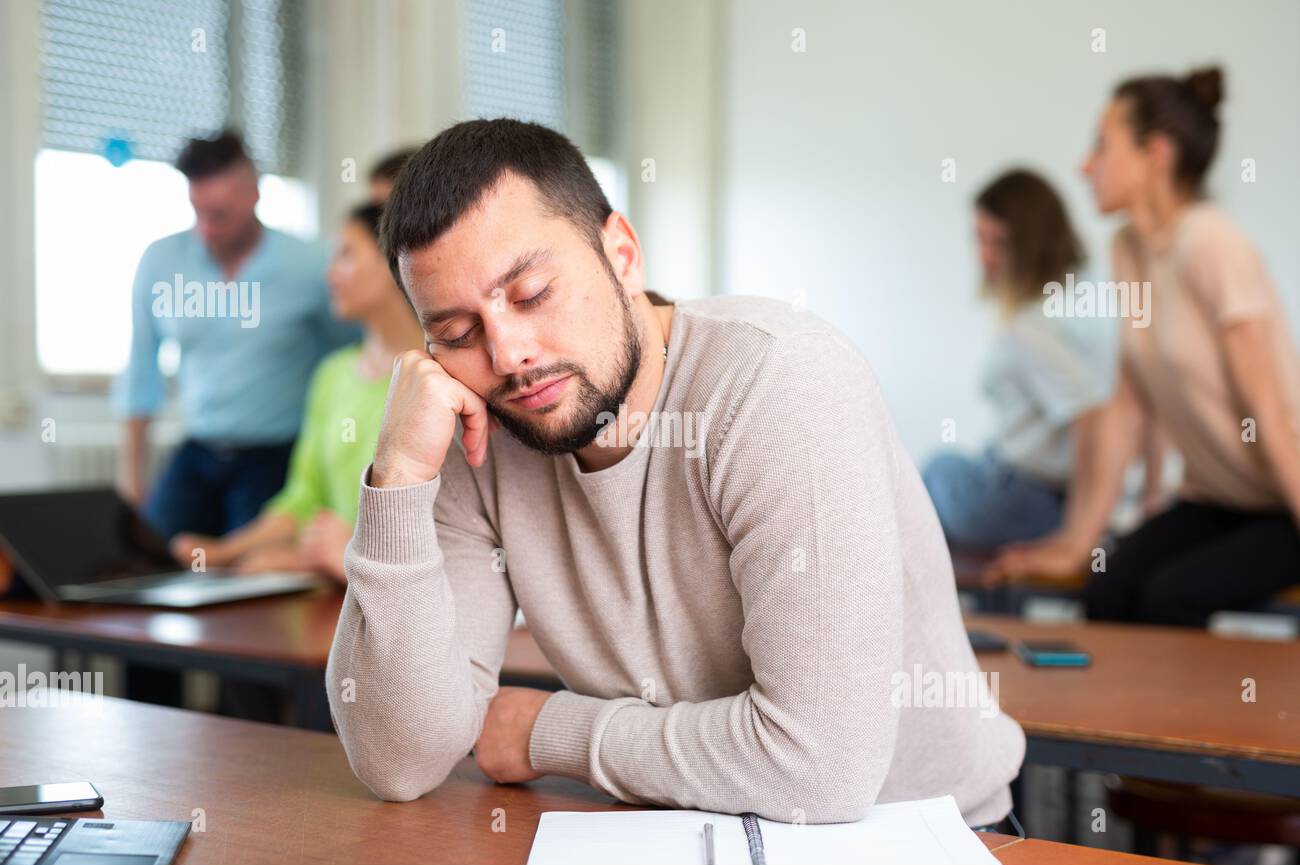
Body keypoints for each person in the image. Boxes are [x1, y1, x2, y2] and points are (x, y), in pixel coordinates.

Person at [325, 119, 1024, 825]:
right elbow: (401, 762)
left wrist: (551, 732)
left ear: (622, 255)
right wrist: (399, 479)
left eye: (533, 293)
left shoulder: (780, 382)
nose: (508, 354)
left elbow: (821, 771)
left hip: (924, 837)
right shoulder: (480, 426)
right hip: (682, 824)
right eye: (456, 333)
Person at [989, 68, 1300, 627]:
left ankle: (1206, 717)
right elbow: (1127, 404)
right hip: (1218, 503)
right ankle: (1110, 718)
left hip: (1285, 503)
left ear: (1155, 153)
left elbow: (1271, 412)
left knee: (1169, 596)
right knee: (1106, 588)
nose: (1085, 166)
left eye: (1101, 145)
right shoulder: (1128, 249)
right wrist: (1075, 542)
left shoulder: (1212, 244)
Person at [116, 130, 357, 706]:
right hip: (198, 452)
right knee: (137, 577)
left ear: (253, 193)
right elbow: (141, 374)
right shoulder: (162, 261)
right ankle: (152, 716)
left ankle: (246, 726)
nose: (208, 228)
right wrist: (131, 485)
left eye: (220, 214)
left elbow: (349, 358)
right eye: (197, 212)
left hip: (273, 455)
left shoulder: (308, 267)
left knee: (257, 601)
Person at [170, 203, 422, 584]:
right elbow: (302, 499)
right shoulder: (333, 375)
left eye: (346, 255)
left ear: (393, 262)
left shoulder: (434, 377)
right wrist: (228, 553)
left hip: (389, 588)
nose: (329, 273)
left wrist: (338, 553)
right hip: (334, 585)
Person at [923, 169, 1114, 552]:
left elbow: (1093, 418)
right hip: (1027, 484)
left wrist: (1078, 536)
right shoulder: (1083, 296)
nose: (985, 257)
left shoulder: (1035, 328)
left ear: (1031, 243)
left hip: (1033, 497)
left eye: (1000, 243)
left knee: (935, 469)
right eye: (979, 239)